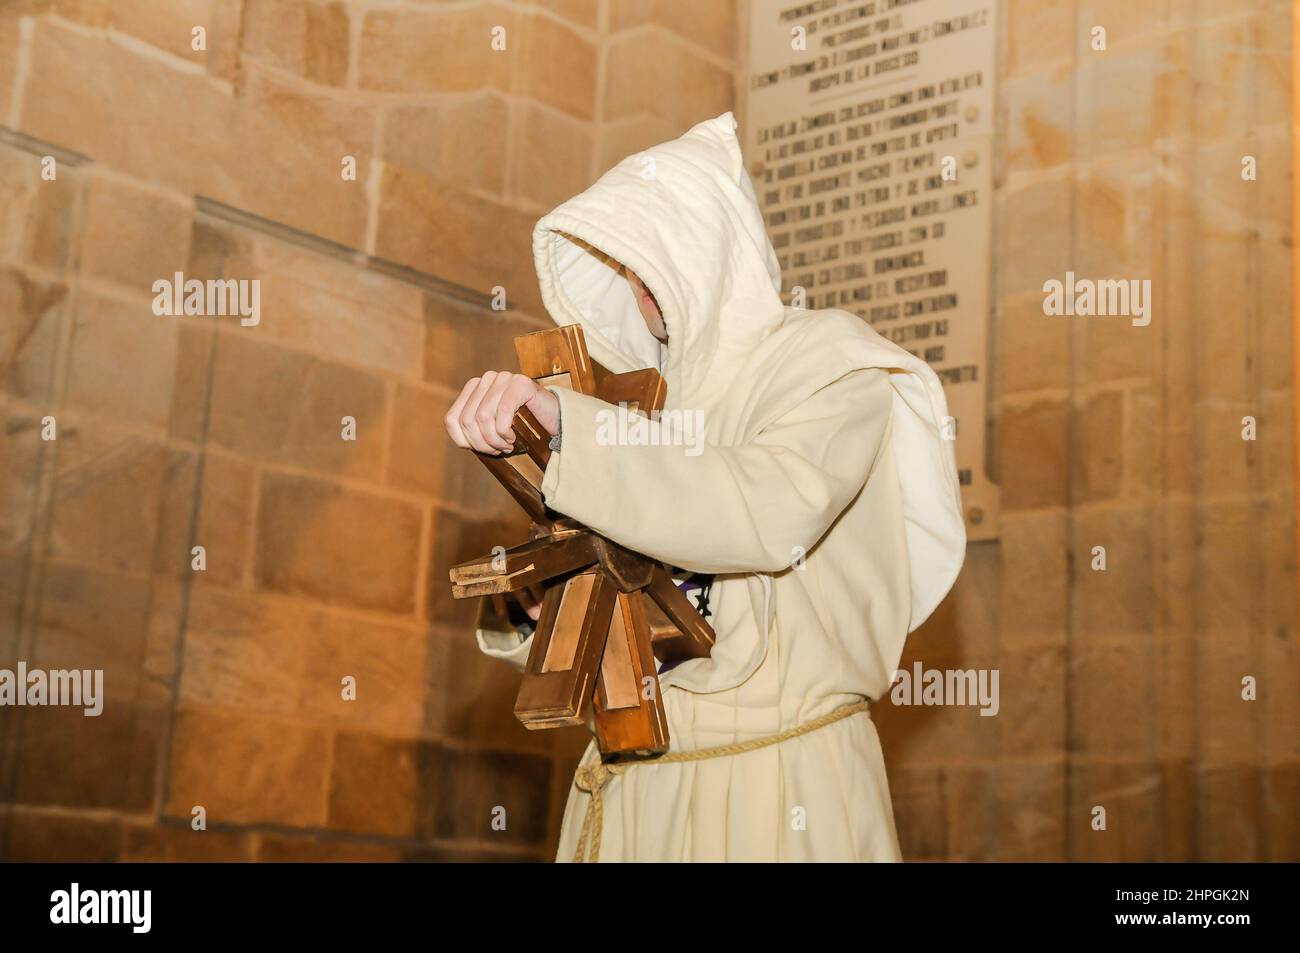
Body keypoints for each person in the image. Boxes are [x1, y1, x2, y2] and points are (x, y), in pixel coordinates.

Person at [443, 112, 965, 862]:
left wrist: (572, 426)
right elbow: (628, 570)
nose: (633, 282)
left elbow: (760, 507)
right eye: (621, 264)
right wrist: (537, 605)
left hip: (778, 786)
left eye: (646, 253)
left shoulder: (831, 364)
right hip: (633, 787)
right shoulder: (643, 410)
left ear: (705, 243)